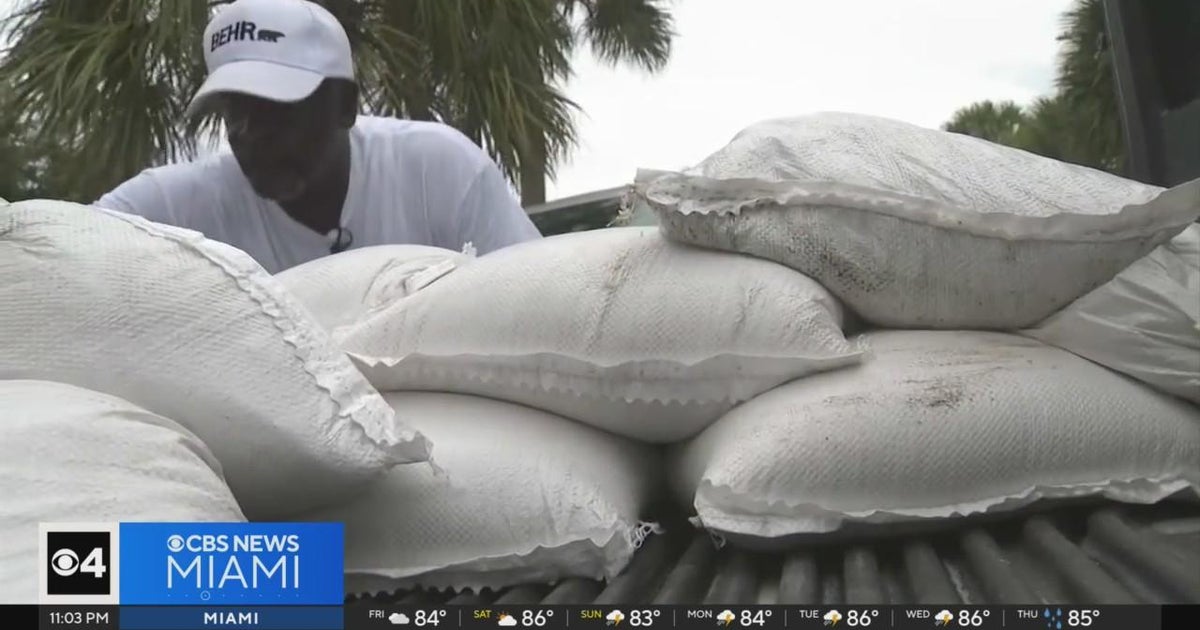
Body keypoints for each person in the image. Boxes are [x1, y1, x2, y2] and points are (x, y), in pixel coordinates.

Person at [95, 0, 542, 274]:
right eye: (234, 108)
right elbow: (64, 240)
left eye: (275, 105)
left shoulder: (438, 170)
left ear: (345, 105)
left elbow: (532, 294)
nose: (248, 132)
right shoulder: (183, 204)